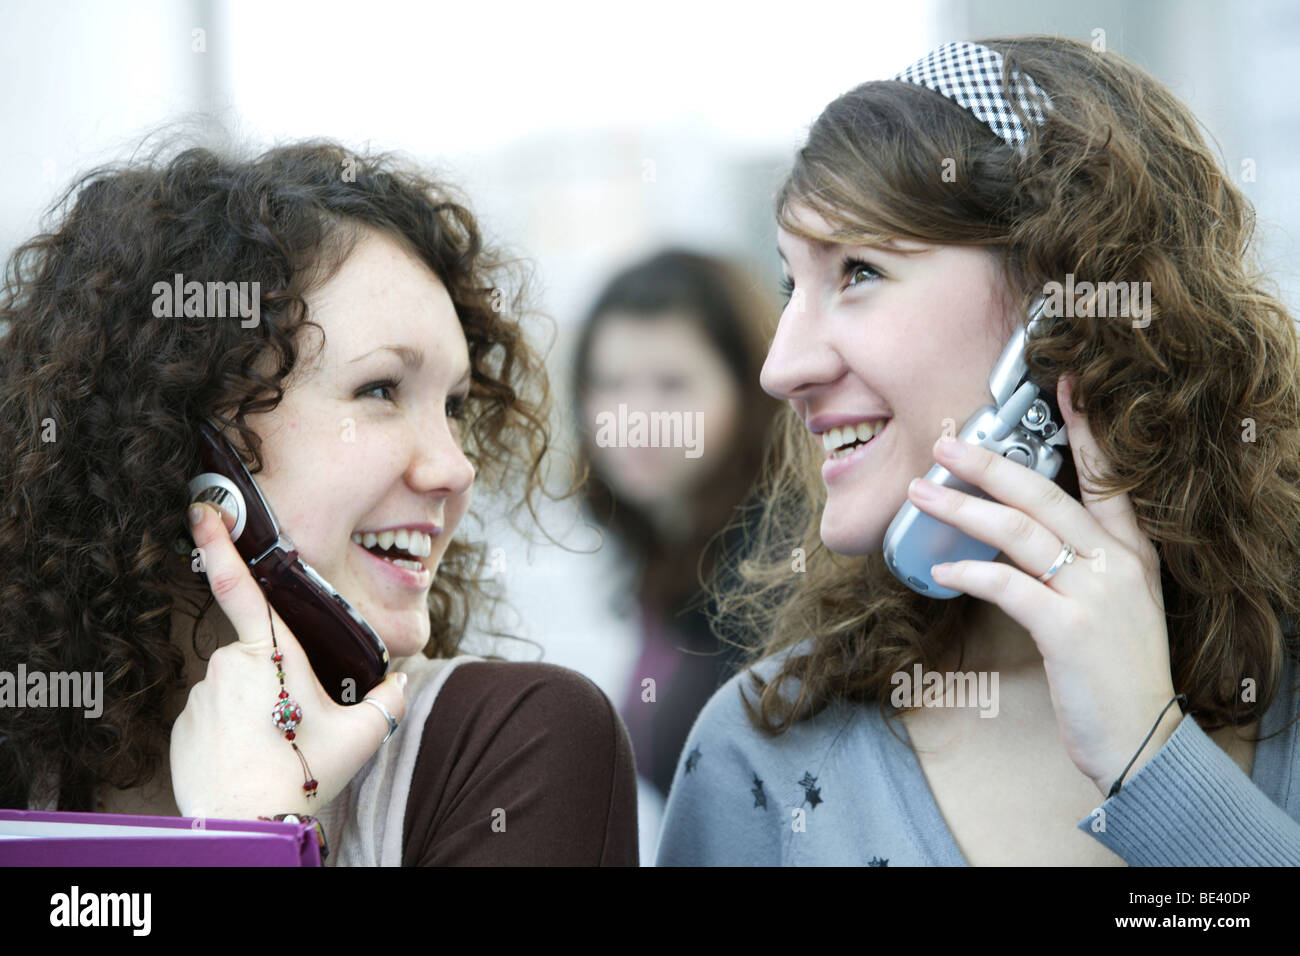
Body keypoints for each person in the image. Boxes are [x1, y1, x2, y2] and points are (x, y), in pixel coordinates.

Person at [656, 36, 1300, 866]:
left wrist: (1152, 761)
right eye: (791, 286)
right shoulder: (765, 752)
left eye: (858, 271)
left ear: (1060, 311)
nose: (781, 369)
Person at [0, 139, 638, 865]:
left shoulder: (518, 742)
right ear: (185, 441)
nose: (455, 469)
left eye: (454, 406)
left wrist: (250, 834)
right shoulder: (23, 752)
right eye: (380, 391)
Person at [571, 250, 779, 803]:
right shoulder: (669, 547)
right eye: (611, 383)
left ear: (748, 388)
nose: (634, 418)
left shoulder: (773, 573)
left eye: (671, 385)